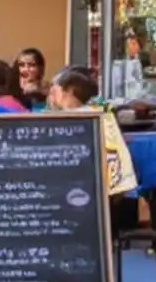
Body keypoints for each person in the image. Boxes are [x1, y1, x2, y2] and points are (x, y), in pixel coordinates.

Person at [48, 67, 138, 196]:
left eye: (55, 90)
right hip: (111, 183)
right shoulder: (102, 113)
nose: (52, 96)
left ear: (69, 90)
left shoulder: (75, 120)